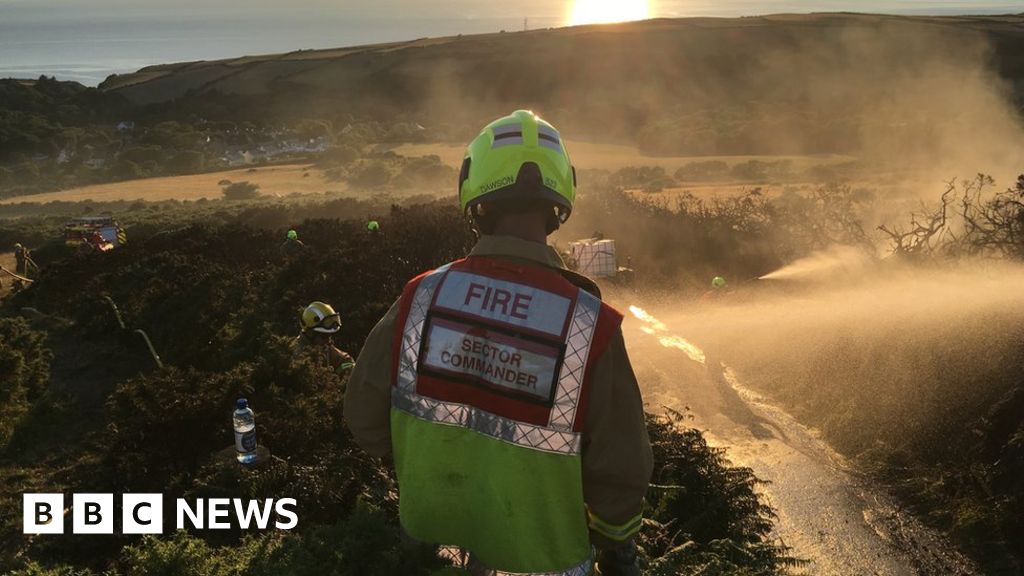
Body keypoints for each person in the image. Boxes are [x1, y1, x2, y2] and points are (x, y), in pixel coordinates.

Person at [345, 110, 652, 576]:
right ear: (560, 195)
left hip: (431, 550)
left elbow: (363, 414)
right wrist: (617, 549)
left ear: (473, 190)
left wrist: (420, 462)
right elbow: (621, 470)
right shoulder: (590, 324)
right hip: (542, 562)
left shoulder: (421, 295)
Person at [293, 301, 354, 374]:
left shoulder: (324, 347)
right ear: (310, 333)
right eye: (324, 336)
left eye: (330, 335)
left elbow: (346, 361)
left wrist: (342, 370)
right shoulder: (295, 353)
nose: (328, 340)